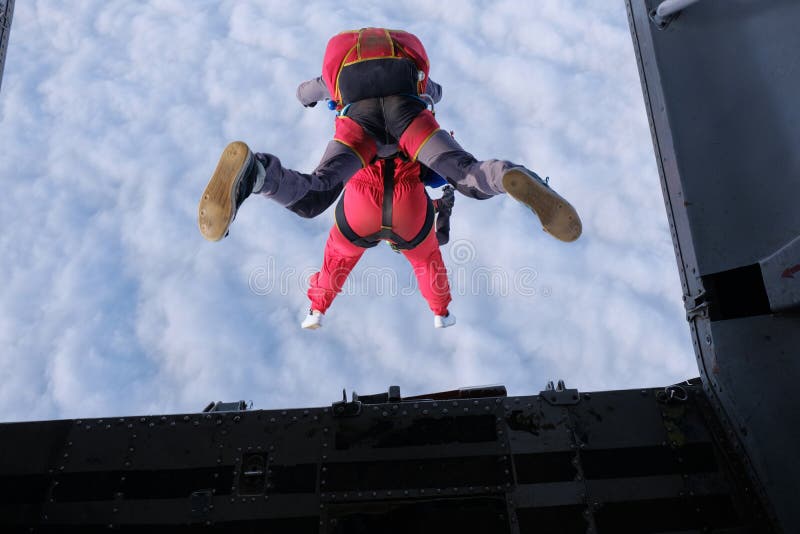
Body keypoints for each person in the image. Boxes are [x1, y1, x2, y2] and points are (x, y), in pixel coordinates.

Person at [302, 156, 456, 330]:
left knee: (338, 258)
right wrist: (444, 207)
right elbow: (424, 194)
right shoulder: (416, 134)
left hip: (364, 200)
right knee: (426, 259)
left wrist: (443, 207)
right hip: (405, 205)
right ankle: (441, 313)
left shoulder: (359, 135)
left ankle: (317, 310)